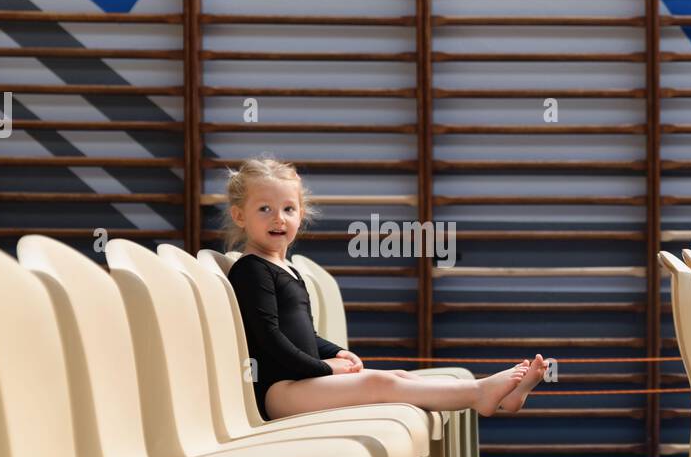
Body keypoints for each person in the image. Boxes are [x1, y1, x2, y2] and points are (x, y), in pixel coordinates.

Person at [224, 156, 548, 422]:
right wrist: (326, 367)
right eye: (264, 209)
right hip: (280, 392)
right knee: (381, 382)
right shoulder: (250, 270)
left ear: (301, 215)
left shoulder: (287, 269)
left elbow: (303, 334)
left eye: (288, 209)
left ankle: (501, 396)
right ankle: (480, 395)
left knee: (398, 376)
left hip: (304, 382)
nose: (278, 219)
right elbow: (270, 342)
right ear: (240, 215)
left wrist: (333, 351)